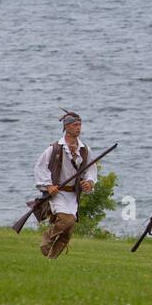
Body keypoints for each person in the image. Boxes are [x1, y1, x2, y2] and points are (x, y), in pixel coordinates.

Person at [31, 110, 97, 259]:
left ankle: (51, 258)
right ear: (66, 127)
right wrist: (48, 186)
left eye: (80, 124)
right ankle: (46, 240)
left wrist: (89, 183)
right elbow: (40, 167)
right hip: (58, 193)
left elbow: (91, 171)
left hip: (73, 194)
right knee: (66, 220)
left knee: (69, 229)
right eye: (75, 125)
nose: (78, 128)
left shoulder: (85, 150)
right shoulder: (54, 148)